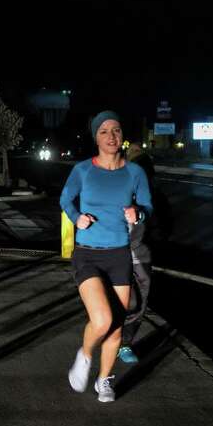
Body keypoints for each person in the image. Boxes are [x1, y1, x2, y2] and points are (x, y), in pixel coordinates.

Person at [59, 111, 152, 403]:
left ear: (122, 136)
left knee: (115, 328)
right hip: (87, 254)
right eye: (104, 132)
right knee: (101, 320)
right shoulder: (83, 170)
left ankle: (104, 380)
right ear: (96, 138)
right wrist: (76, 217)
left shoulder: (135, 173)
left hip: (119, 255)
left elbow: (147, 204)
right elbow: (65, 199)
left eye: (116, 130)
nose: (111, 136)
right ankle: (84, 356)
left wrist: (138, 213)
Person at [118, 142, 155, 364]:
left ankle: (125, 343)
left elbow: (162, 223)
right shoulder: (115, 192)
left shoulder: (152, 197)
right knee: (124, 301)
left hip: (141, 256)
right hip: (116, 256)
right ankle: (112, 339)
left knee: (139, 303)